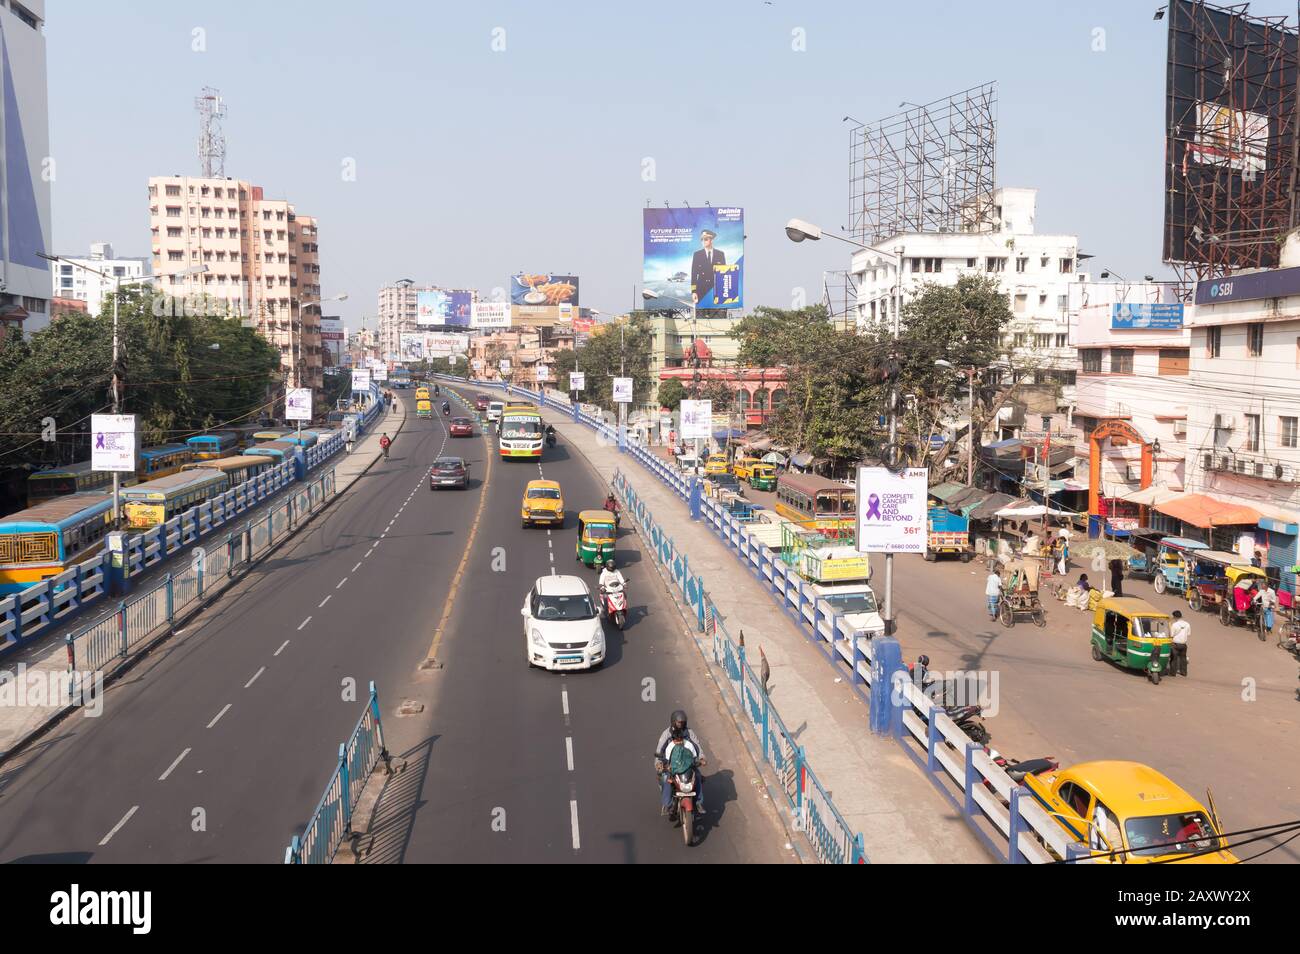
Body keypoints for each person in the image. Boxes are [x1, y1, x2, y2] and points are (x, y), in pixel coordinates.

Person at [656, 710, 705, 815]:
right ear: (673, 722)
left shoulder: (689, 733)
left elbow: (697, 746)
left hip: (687, 765)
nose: (681, 724)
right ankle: (667, 804)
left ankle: (699, 802)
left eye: (682, 722)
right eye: (679, 722)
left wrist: (701, 758)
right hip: (671, 766)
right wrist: (659, 764)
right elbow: (659, 751)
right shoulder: (666, 734)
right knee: (665, 779)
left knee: (698, 776)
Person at [690, 228, 726, 305]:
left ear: (711, 240)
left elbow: (724, 274)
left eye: (706, 239)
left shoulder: (720, 254)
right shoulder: (697, 255)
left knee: (718, 311)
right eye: (702, 239)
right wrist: (693, 292)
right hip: (701, 290)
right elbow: (694, 275)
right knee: (701, 311)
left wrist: (724, 291)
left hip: (716, 290)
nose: (703, 241)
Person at [1170, 609, 1190, 677]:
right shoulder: (1187, 624)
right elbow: (1188, 634)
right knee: (1183, 659)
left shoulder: (1174, 625)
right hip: (1183, 644)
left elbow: (1171, 635)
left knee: (1174, 658)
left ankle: (1173, 673)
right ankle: (1184, 673)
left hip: (1175, 644)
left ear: (1175, 617)